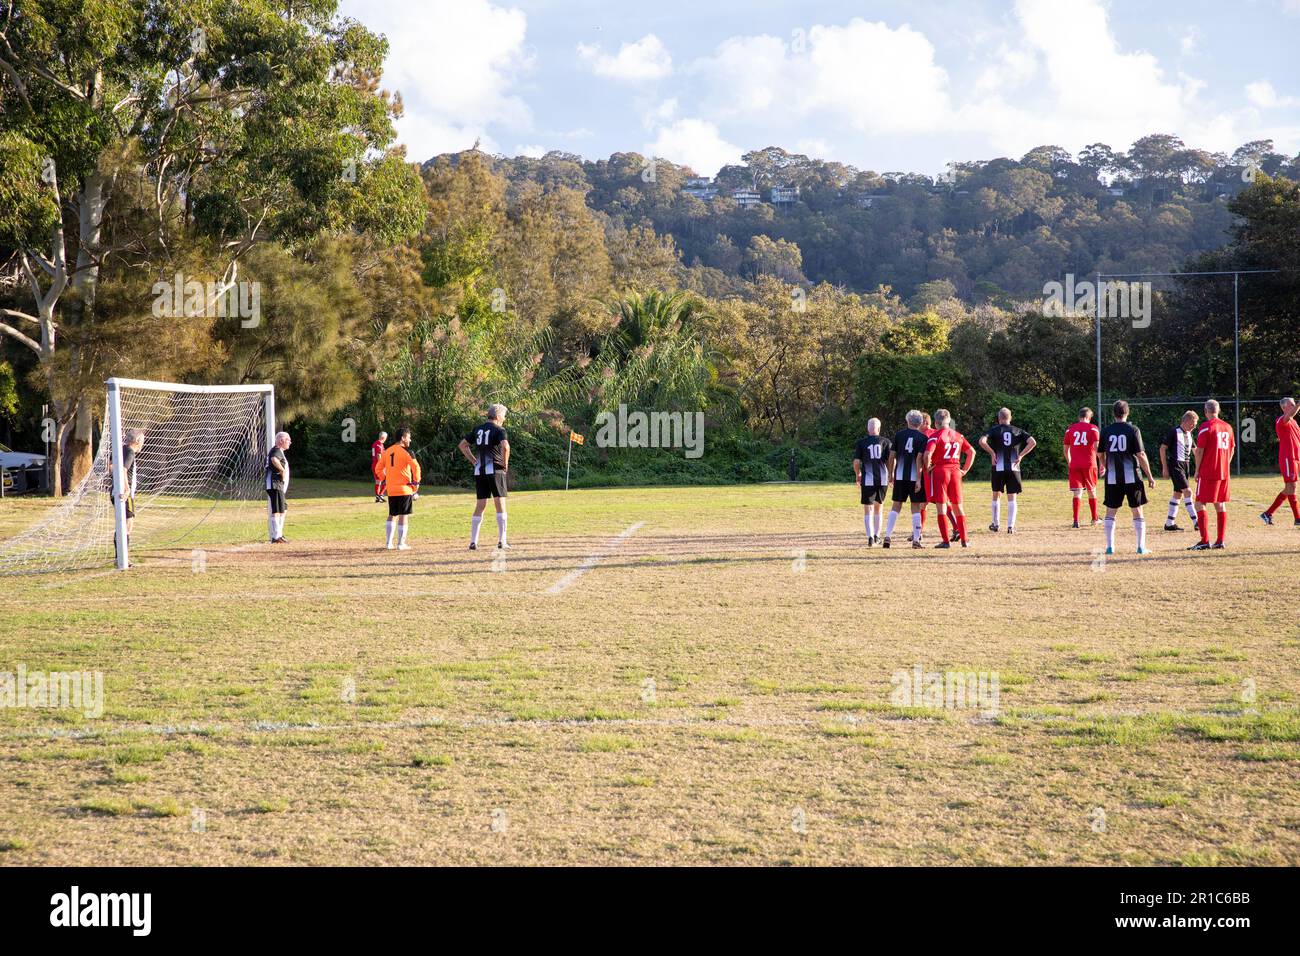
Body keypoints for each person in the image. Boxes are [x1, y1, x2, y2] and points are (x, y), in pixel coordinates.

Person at [1098, 400, 1155, 555]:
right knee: (1137, 511)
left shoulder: (1106, 431)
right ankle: (1140, 547)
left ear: (1114, 413)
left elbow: (1100, 454)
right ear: (1127, 413)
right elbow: (1141, 454)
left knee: (1110, 512)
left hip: (1112, 478)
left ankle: (1110, 547)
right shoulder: (1133, 430)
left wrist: (1106, 466)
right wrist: (1149, 475)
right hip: (1132, 478)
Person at [458, 404, 511, 550]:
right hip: (494, 470)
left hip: (479, 471)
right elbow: (505, 446)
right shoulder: (499, 430)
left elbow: (462, 445)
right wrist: (505, 464)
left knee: (480, 505)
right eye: (504, 416)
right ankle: (502, 540)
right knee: (500, 503)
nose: (504, 420)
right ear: (498, 416)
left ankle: (473, 541)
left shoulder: (478, 429)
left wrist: (474, 461)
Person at [923, 409, 976, 548]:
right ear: (949, 420)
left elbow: (928, 454)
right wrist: (964, 470)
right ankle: (965, 540)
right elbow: (971, 452)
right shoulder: (958, 435)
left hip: (941, 471)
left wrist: (928, 467)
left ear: (936, 422)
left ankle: (946, 541)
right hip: (955, 471)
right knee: (958, 506)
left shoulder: (935, 436)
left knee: (941, 507)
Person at [979, 407, 1036, 534]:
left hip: (998, 466)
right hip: (1013, 467)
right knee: (1012, 497)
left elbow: (982, 441)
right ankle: (1010, 527)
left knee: (996, 495)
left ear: (999, 418)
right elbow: (1032, 442)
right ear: (1010, 418)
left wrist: (992, 452)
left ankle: (996, 524)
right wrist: (1020, 455)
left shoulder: (994, 430)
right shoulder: (1017, 430)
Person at [1190, 399, 1235, 551]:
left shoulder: (1205, 427)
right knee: (1220, 504)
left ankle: (1204, 540)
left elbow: (1200, 451)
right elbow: (1232, 449)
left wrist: (1197, 470)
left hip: (1209, 471)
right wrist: (1225, 464)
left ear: (1205, 411)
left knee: (1199, 503)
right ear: (1219, 410)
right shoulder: (1228, 427)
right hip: (1223, 472)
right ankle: (1220, 540)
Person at [884, 410, 929, 550]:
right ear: (920, 422)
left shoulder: (899, 435)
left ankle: (888, 536)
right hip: (915, 477)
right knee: (915, 506)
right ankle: (916, 540)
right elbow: (920, 459)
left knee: (896, 505)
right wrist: (919, 479)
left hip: (900, 476)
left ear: (907, 421)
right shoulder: (923, 438)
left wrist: (890, 474)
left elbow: (892, 456)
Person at [1260, 396, 1300, 527]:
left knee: (1291, 488)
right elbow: (1289, 415)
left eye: (1294, 404)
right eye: (1292, 404)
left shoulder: (1293, 422)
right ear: (1284, 407)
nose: (1294, 406)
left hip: (1295, 458)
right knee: (1291, 487)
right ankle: (1269, 513)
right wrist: (1299, 404)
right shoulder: (1281, 420)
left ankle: (1295, 518)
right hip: (1288, 458)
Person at [853, 418, 891, 547]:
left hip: (868, 478)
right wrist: (891, 475)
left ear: (867, 429)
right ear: (879, 429)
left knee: (868, 509)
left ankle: (870, 538)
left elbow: (857, 462)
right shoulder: (886, 442)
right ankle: (877, 536)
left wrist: (858, 474)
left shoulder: (861, 443)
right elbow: (890, 461)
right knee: (878, 508)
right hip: (883, 478)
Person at [1159, 411, 1199, 532]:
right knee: (1187, 491)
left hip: (1185, 466)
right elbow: (1162, 449)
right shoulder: (1174, 432)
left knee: (1178, 493)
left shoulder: (1189, 434)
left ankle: (1169, 523)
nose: (1194, 426)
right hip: (1176, 465)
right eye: (1193, 424)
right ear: (1186, 421)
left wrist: (1200, 466)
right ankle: (1197, 522)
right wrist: (1165, 468)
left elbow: (1196, 451)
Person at [381, 427, 421, 550]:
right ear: (403, 438)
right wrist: (416, 484)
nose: (410, 439)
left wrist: (386, 477)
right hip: (405, 489)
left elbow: (378, 468)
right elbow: (416, 468)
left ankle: (388, 543)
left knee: (392, 514)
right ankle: (401, 543)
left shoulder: (387, 451)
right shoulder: (408, 452)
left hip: (391, 489)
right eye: (409, 437)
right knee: (404, 515)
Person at [1063, 408, 1100, 528]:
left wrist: (1070, 462)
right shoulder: (1093, 428)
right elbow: (1097, 447)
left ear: (1079, 417)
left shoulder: (1070, 429)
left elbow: (1065, 449)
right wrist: (1102, 463)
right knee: (1091, 491)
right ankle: (1094, 519)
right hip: (1089, 464)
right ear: (1089, 417)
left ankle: (1076, 521)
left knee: (1077, 493)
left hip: (1075, 464)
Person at [113, 428, 145, 562]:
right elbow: (123, 470)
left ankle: (119, 556)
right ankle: (122, 558)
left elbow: (110, 467)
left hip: (114, 491)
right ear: (137, 441)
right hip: (124, 493)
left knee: (122, 523)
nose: (143, 444)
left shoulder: (120, 449)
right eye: (142, 441)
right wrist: (126, 488)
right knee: (127, 524)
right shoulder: (130, 452)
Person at [265, 431, 291, 544]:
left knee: (283, 508)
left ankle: (279, 534)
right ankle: (276, 536)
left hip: (278, 485)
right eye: (288, 440)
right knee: (277, 509)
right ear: (281, 440)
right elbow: (274, 460)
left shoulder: (279, 451)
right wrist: (282, 470)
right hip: (274, 484)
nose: (290, 442)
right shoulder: (276, 450)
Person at [371, 431, 388, 503]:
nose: (386, 439)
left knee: (378, 481)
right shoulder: (379, 444)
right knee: (387, 479)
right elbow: (378, 455)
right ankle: (380, 495)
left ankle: (378, 496)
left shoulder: (376, 443)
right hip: (378, 465)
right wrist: (382, 466)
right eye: (386, 438)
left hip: (375, 464)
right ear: (383, 437)